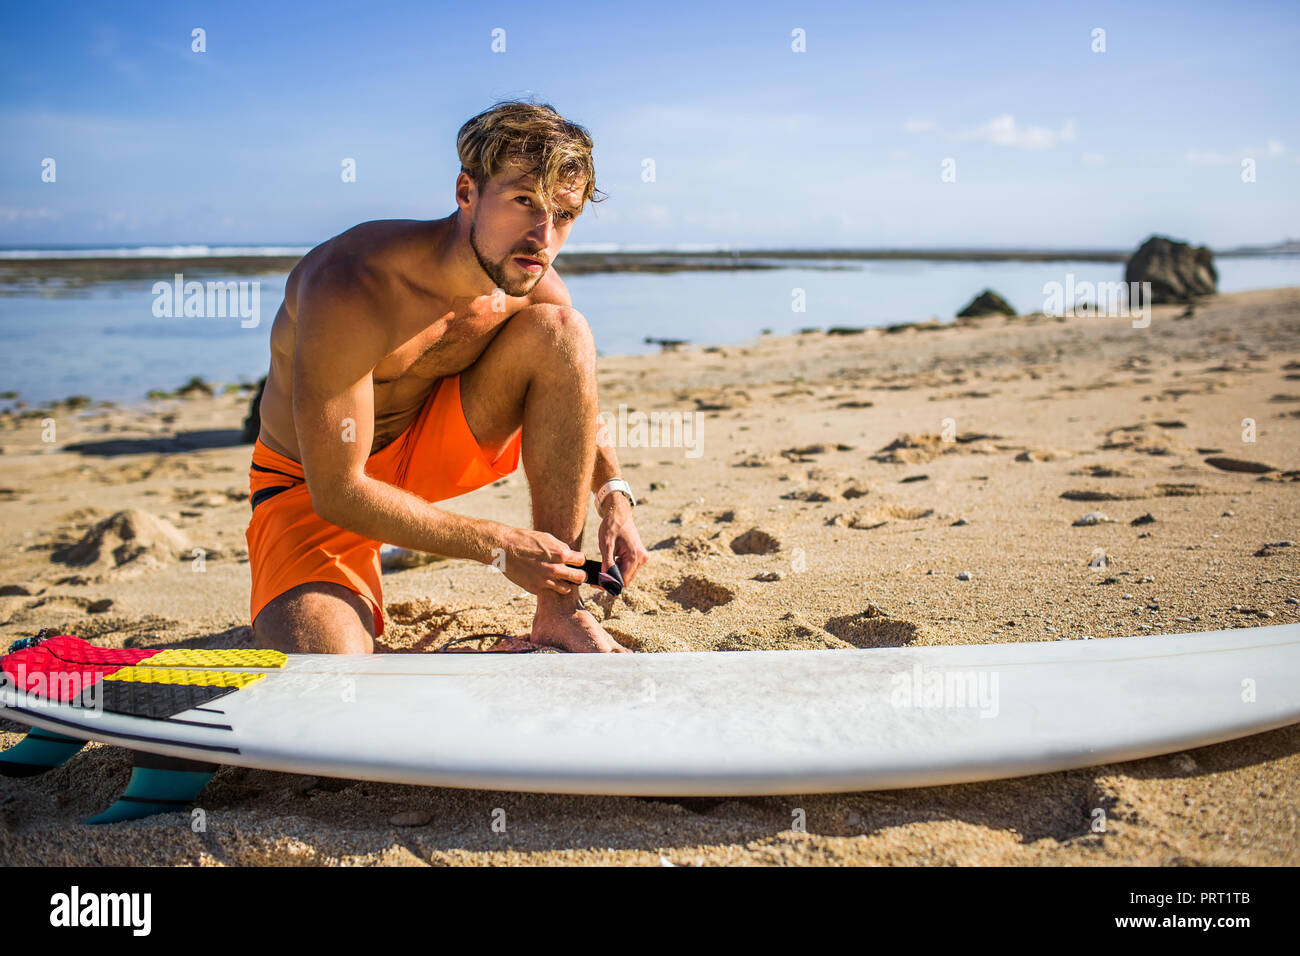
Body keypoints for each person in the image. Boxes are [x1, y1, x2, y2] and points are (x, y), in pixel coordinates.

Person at [245, 100, 648, 654]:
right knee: (327, 676)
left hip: (427, 451)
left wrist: (614, 495)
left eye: (564, 215)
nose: (543, 236)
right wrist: (499, 543)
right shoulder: (352, 287)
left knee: (563, 329)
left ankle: (560, 611)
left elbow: (576, 399)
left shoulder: (529, 283)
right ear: (466, 192)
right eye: (524, 201)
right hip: (315, 489)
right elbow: (337, 492)